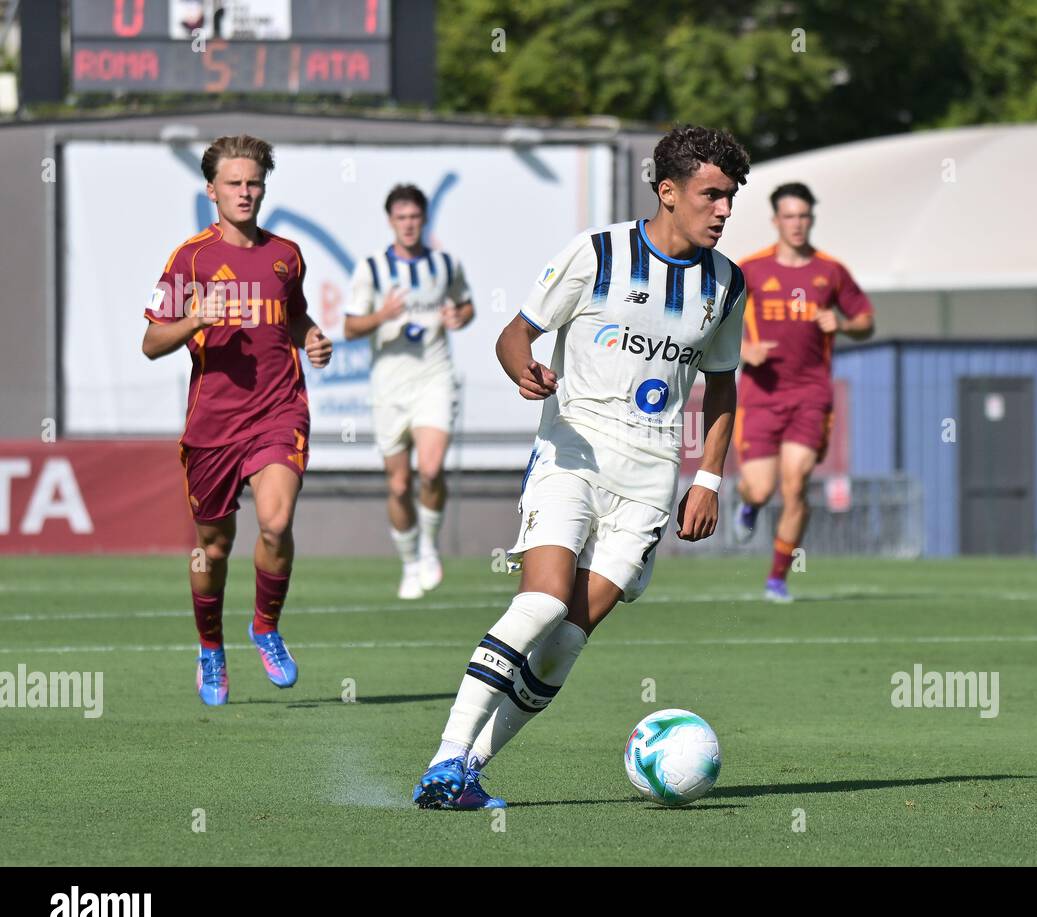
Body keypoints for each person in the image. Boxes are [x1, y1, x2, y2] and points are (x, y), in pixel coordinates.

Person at [411, 126, 751, 810]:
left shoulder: (727, 283)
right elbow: (516, 334)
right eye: (711, 194)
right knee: (539, 602)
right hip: (572, 454)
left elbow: (721, 383)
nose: (723, 210)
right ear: (668, 191)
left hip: (650, 482)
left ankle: (468, 770)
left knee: (567, 637)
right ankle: (444, 756)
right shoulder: (596, 254)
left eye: (730, 197)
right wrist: (523, 372)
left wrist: (707, 477)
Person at [142, 134, 333, 706]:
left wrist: (313, 338)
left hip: (279, 411)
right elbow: (152, 342)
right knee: (212, 546)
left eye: (253, 182)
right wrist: (194, 318)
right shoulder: (190, 259)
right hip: (213, 425)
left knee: (275, 523)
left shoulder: (287, 254)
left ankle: (266, 628)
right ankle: (209, 646)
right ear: (212, 190)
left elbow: (295, 318)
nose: (245, 192)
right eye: (234, 183)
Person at [733, 182, 874, 602]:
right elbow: (710, 321)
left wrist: (844, 324)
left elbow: (866, 320)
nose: (797, 224)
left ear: (812, 219)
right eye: (789, 216)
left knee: (795, 486)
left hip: (811, 393)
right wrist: (743, 349)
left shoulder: (830, 271)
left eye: (804, 216)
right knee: (761, 488)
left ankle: (777, 580)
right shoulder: (750, 270)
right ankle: (751, 506)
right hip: (761, 393)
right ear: (776, 220)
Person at [343, 185, 474, 598]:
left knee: (431, 470)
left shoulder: (445, 264)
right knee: (399, 485)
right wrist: (381, 316)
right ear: (390, 222)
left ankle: (430, 548)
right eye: (401, 218)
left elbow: (465, 305)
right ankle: (410, 561)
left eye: (415, 217)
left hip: (434, 378)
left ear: (424, 219)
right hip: (389, 387)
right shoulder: (372, 269)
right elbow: (349, 327)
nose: (409, 225)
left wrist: (459, 315)